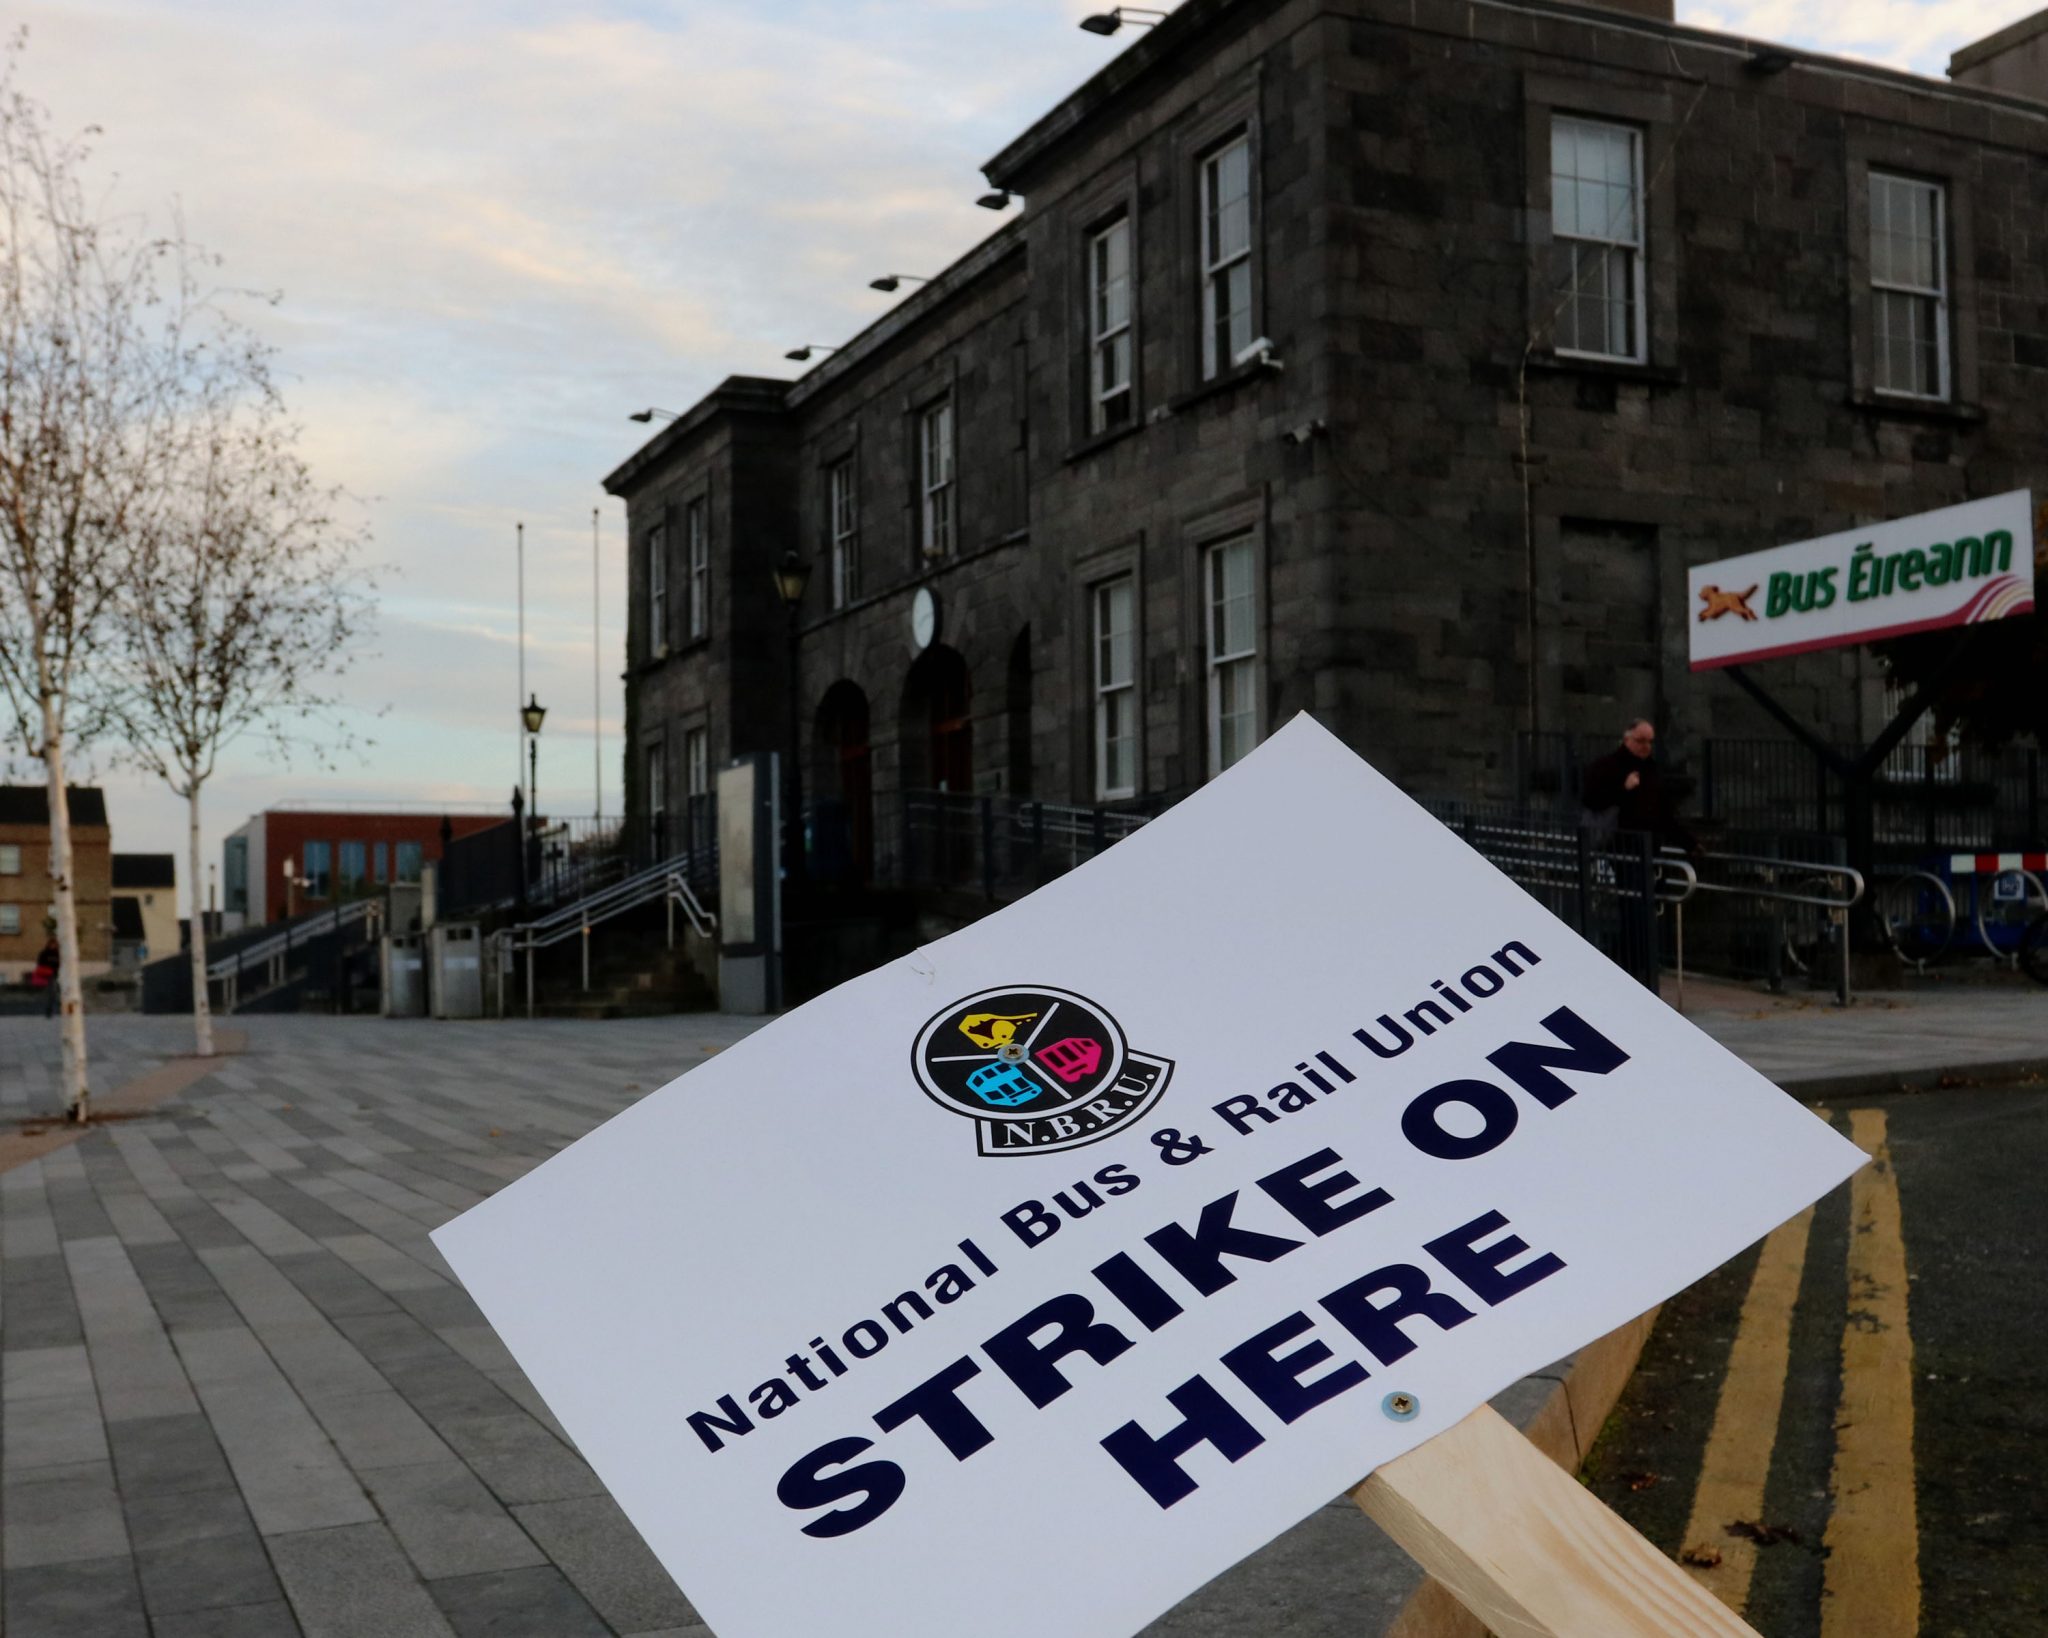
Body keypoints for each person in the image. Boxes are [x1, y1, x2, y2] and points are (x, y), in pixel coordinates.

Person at [1581, 719, 1698, 854]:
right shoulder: (1606, 766)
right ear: (1626, 740)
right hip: (1619, 847)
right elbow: (1591, 800)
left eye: (1650, 741)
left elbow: (1663, 814)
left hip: (1647, 846)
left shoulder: (1651, 770)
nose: (1646, 746)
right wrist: (1623, 789)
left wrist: (1689, 843)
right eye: (1641, 741)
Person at [33, 933, 60, 1019]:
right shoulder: (44, 953)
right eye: (51, 944)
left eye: (54, 944)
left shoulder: (58, 953)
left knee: (56, 992)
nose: (53, 946)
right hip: (48, 975)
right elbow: (40, 963)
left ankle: (58, 1008)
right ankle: (49, 1010)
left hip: (56, 975)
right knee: (51, 993)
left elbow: (59, 964)